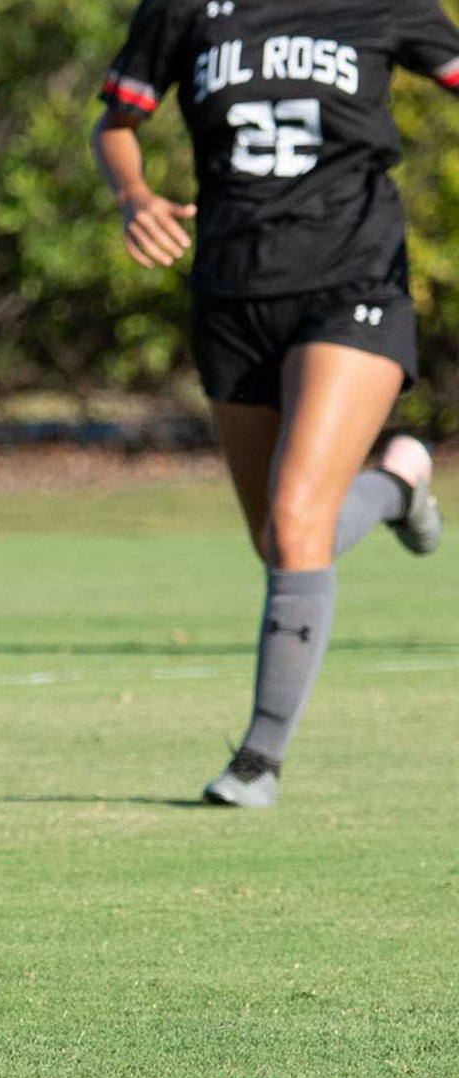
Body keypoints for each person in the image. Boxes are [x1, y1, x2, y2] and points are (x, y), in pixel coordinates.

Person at [93, 0, 448, 809]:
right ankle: (396, 484)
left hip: (354, 283)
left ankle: (259, 757)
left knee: (296, 523)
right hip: (231, 295)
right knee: (279, 538)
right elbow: (115, 123)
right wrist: (134, 195)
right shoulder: (184, 9)